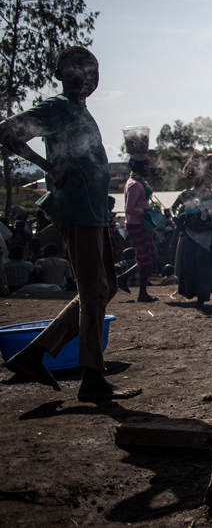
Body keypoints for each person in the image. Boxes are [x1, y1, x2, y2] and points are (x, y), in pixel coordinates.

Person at [0, 47, 139, 401]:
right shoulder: (57, 107)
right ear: (61, 75)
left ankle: (33, 353)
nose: (86, 78)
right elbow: (7, 132)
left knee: (104, 290)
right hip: (75, 209)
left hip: (92, 212)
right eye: (77, 71)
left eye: (92, 71)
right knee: (93, 293)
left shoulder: (79, 110)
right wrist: (50, 167)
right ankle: (92, 379)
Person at [171, 152, 212, 307]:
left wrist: (208, 217)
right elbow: (173, 209)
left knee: (204, 270)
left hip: (206, 237)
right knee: (192, 269)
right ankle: (193, 294)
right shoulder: (186, 194)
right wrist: (182, 216)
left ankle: (202, 297)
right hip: (190, 237)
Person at [123, 158, 158, 302]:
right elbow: (129, 209)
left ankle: (123, 278)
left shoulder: (137, 183)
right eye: (144, 166)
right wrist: (145, 211)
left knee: (149, 256)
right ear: (137, 167)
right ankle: (142, 293)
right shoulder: (135, 185)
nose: (146, 169)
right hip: (136, 224)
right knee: (145, 258)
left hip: (140, 224)